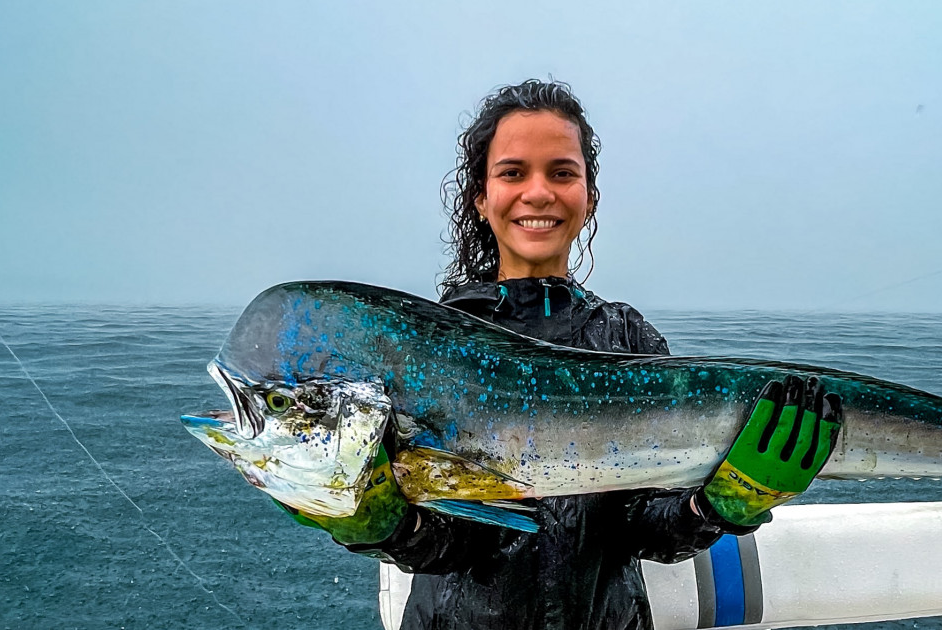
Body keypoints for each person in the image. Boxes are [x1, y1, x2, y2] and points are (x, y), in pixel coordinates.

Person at [280, 79, 842, 630]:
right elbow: (451, 547)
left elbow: (643, 529)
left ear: (588, 198)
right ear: (482, 197)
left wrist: (717, 507)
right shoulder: (431, 345)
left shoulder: (628, 339)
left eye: (562, 172)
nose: (539, 192)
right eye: (513, 172)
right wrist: (382, 523)